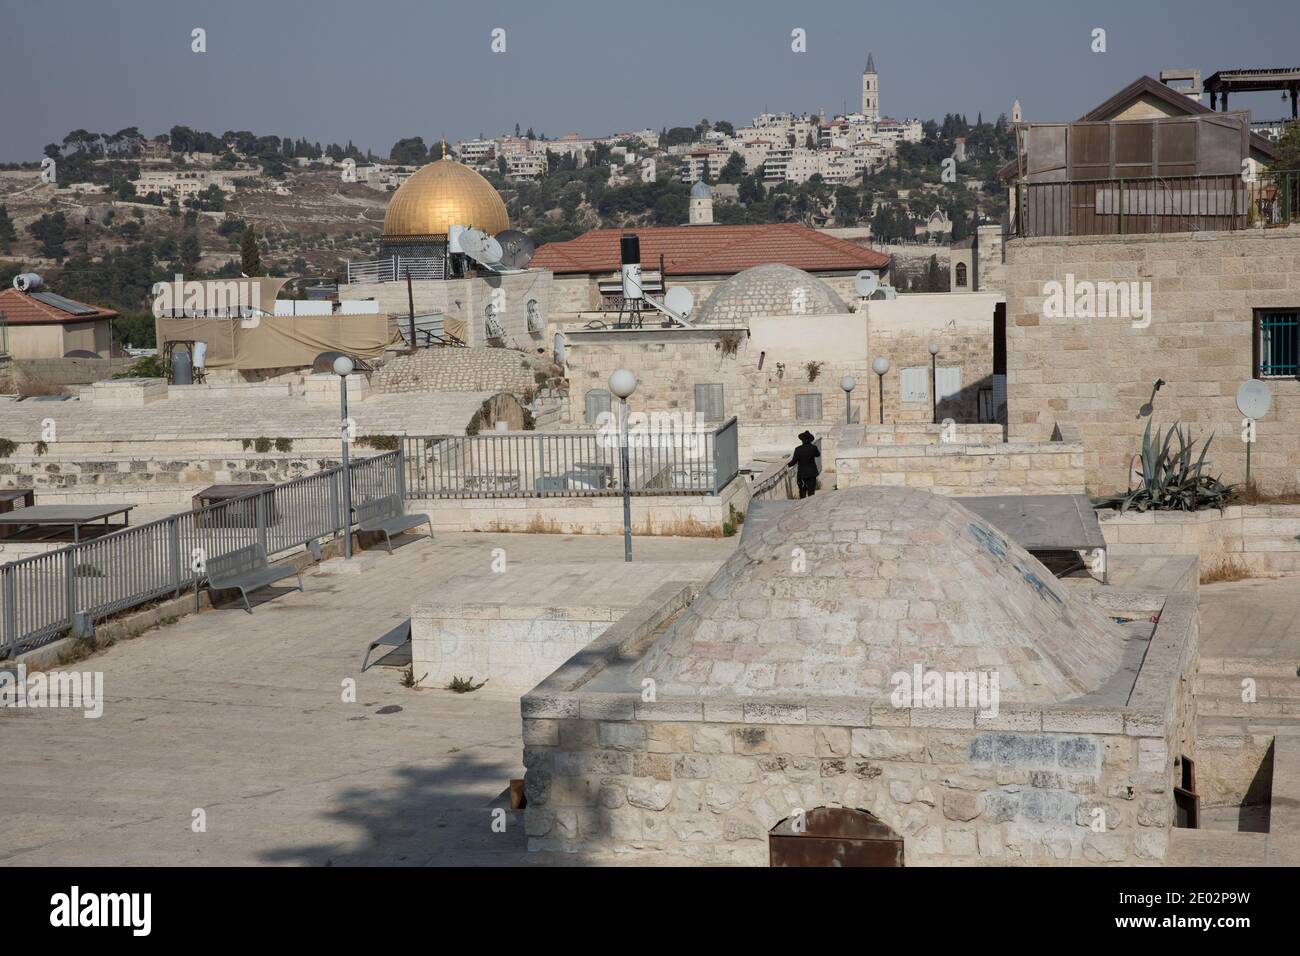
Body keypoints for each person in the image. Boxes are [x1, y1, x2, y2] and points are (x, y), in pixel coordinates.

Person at [789, 431, 820, 498]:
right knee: (811, 492)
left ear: (802, 440)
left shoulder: (798, 449)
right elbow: (818, 454)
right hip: (812, 473)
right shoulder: (813, 448)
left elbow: (794, 461)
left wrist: (788, 465)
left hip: (801, 474)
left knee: (802, 491)